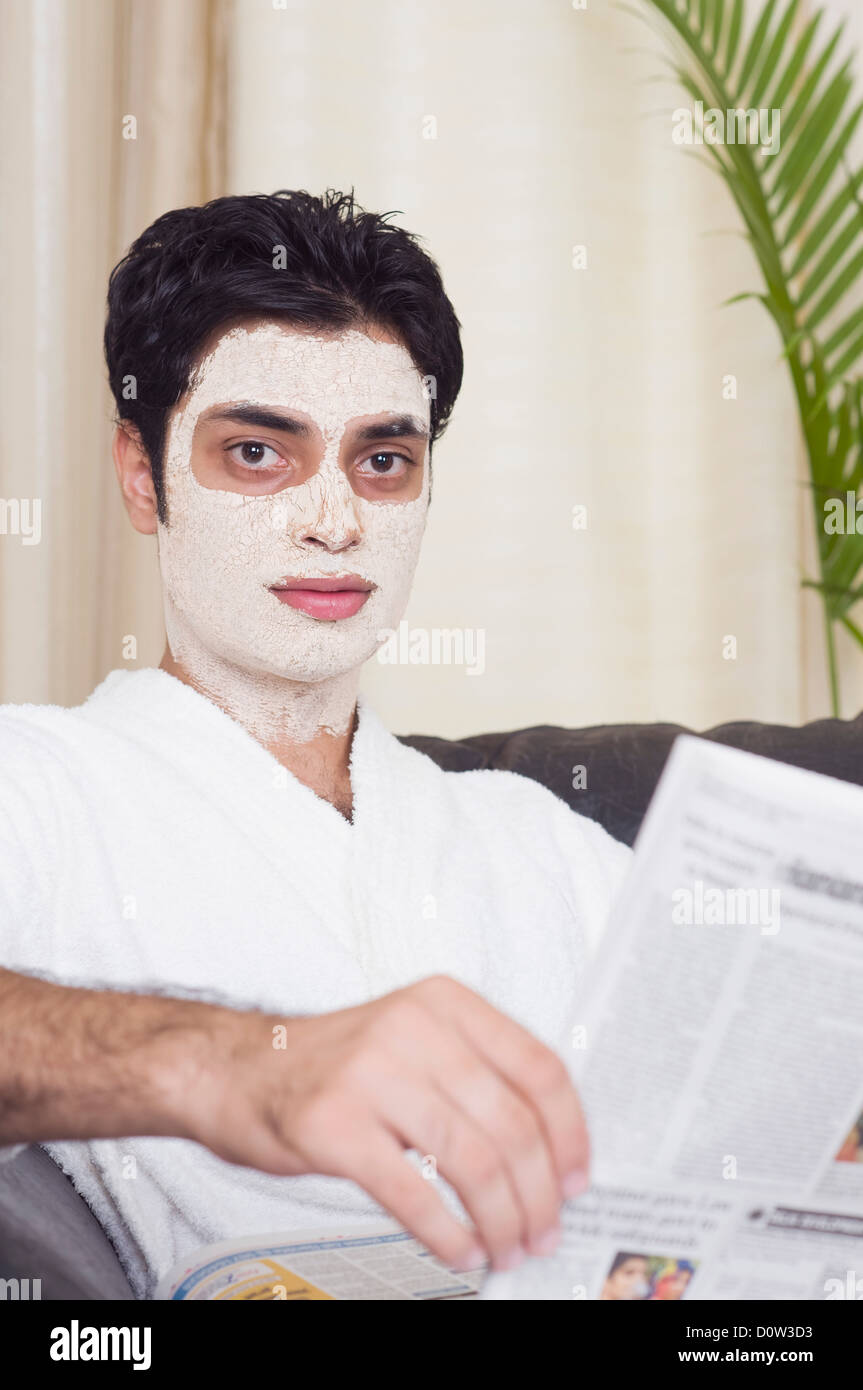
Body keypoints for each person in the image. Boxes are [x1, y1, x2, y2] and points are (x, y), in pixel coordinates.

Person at [0, 189, 631, 1299]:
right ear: (143, 476)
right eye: (257, 452)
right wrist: (236, 1065)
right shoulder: (39, 785)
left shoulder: (542, 845)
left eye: (382, 462)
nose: (335, 522)